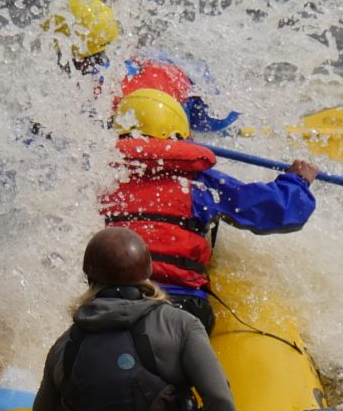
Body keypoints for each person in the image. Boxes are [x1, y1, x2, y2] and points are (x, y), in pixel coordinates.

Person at [100, 86, 317, 332]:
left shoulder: (99, 180)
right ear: (180, 137)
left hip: (109, 302)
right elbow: (277, 211)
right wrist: (298, 181)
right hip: (180, 305)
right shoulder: (197, 183)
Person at [32, 227, 237, 411]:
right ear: (146, 273)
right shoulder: (181, 325)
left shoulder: (63, 345)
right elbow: (220, 401)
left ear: (88, 278)